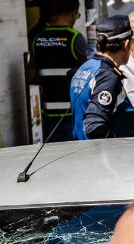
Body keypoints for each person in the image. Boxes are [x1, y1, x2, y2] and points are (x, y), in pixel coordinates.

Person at [29, 0, 88, 141]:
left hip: (48, 116)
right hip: (72, 114)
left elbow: (31, 78)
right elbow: (88, 76)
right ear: (73, 13)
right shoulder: (75, 39)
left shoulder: (38, 40)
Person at [69, 15, 134, 140]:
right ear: (126, 44)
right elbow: (93, 126)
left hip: (82, 151)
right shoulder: (107, 75)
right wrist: (116, 145)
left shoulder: (85, 67)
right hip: (104, 156)